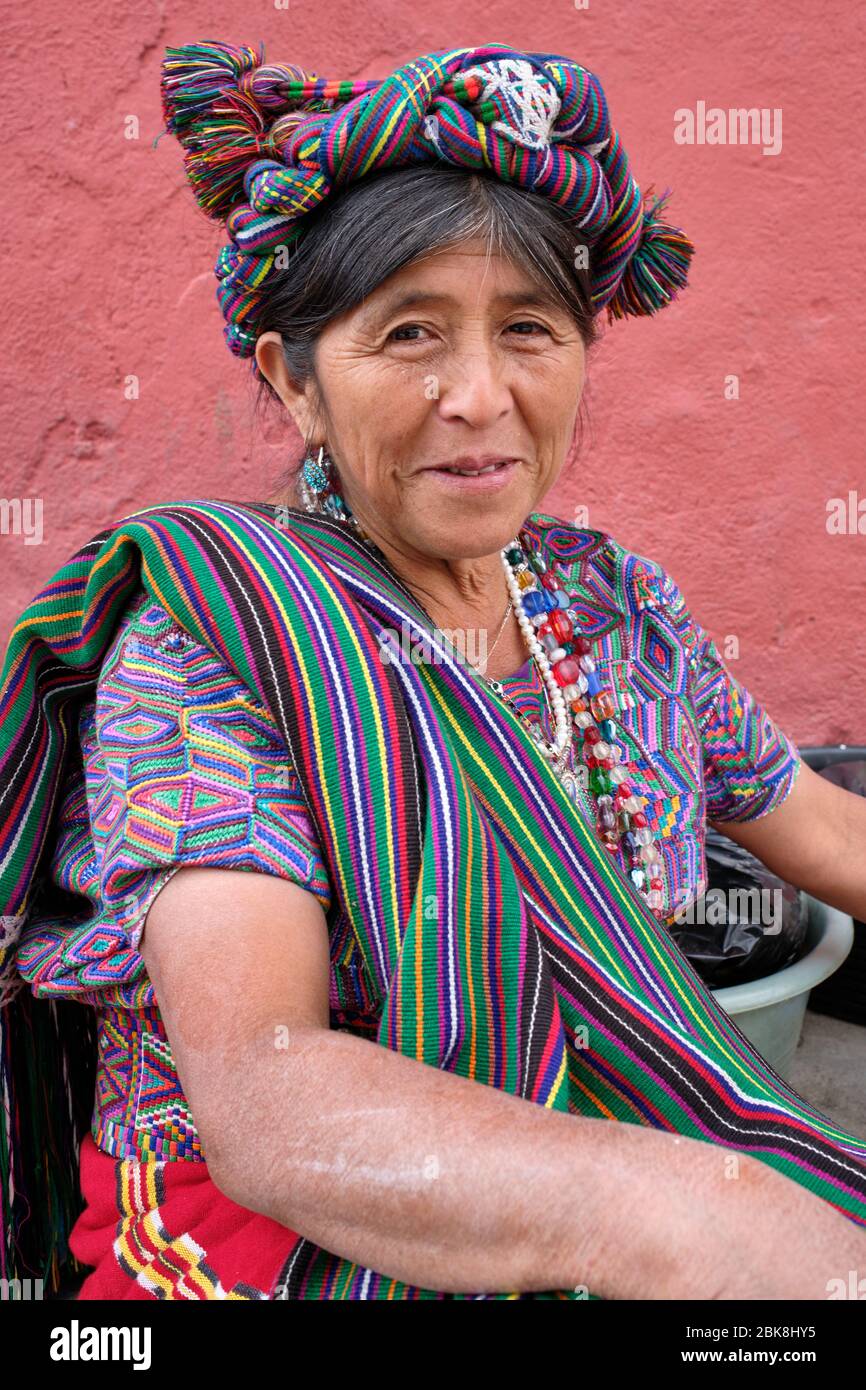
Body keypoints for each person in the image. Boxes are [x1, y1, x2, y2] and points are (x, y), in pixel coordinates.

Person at [2, 39, 865, 1302]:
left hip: (590, 1160)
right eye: (408, 333)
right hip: (268, 1233)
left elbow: (823, 831)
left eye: (527, 329)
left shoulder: (612, 608)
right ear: (293, 382)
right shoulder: (217, 647)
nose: (478, 395)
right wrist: (687, 1209)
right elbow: (271, 1098)